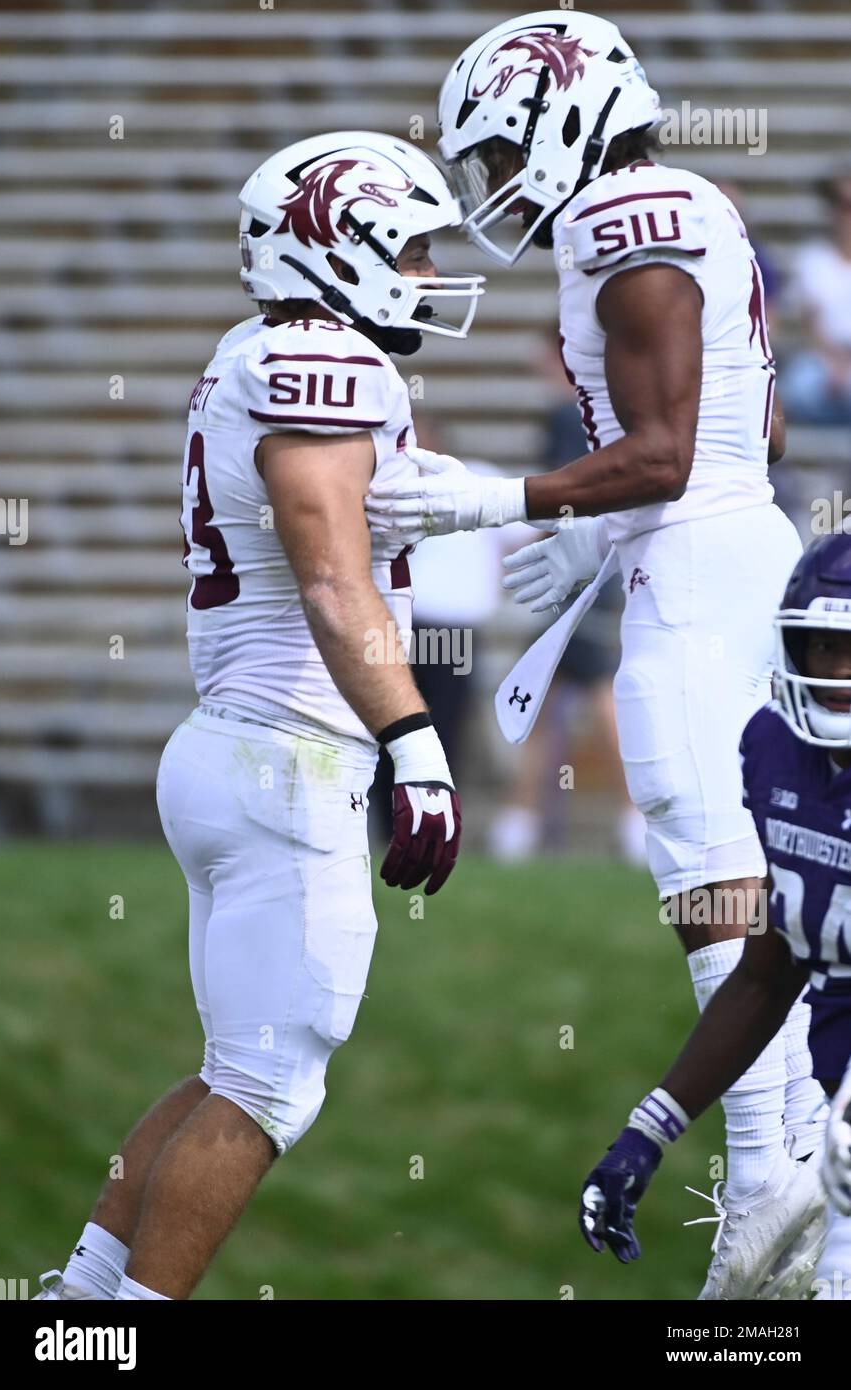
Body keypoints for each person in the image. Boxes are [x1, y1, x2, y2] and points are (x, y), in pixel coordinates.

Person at [365, 11, 824, 1297]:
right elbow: (758, 429)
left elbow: (667, 453)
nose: (492, 188)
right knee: (738, 852)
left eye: (500, 152)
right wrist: (599, 514)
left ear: (566, 116)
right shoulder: (691, 204)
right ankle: (781, 1149)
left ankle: (763, 1162)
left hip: (693, 561)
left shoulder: (619, 228)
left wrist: (496, 499)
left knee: (698, 842)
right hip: (733, 542)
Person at [32, 131, 482, 1301]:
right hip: (290, 751)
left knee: (235, 1069)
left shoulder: (254, 351)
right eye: (415, 248)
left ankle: (81, 1312)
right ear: (345, 246)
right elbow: (331, 578)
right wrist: (417, 745)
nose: (430, 275)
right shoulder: (328, 364)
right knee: (271, 1088)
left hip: (235, 747)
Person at [579, 534, 851, 1300]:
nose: (837, 674)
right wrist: (649, 1130)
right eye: (819, 647)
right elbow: (768, 972)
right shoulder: (775, 750)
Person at [782, 170, 851, 426]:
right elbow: (810, 322)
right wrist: (836, 361)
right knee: (799, 388)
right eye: (842, 204)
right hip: (823, 360)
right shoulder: (812, 260)